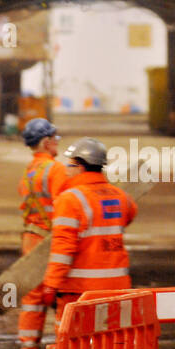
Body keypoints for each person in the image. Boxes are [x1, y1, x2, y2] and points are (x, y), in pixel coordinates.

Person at [39, 136, 137, 326]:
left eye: (69, 165)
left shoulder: (70, 200)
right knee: (111, 342)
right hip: (117, 288)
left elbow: (62, 251)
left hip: (80, 291)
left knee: (73, 345)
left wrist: (51, 285)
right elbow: (129, 215)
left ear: (80, 166)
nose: (66, 169)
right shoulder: (122, 196)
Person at [15, 117, 70, 349]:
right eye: (55, 139)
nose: (57, 143)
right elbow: (64, 206)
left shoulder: (29, 170)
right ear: (46, 142)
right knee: (62, 295)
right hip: (50, 239)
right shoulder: (55, 169)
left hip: (30, 237)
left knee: (33, 299)